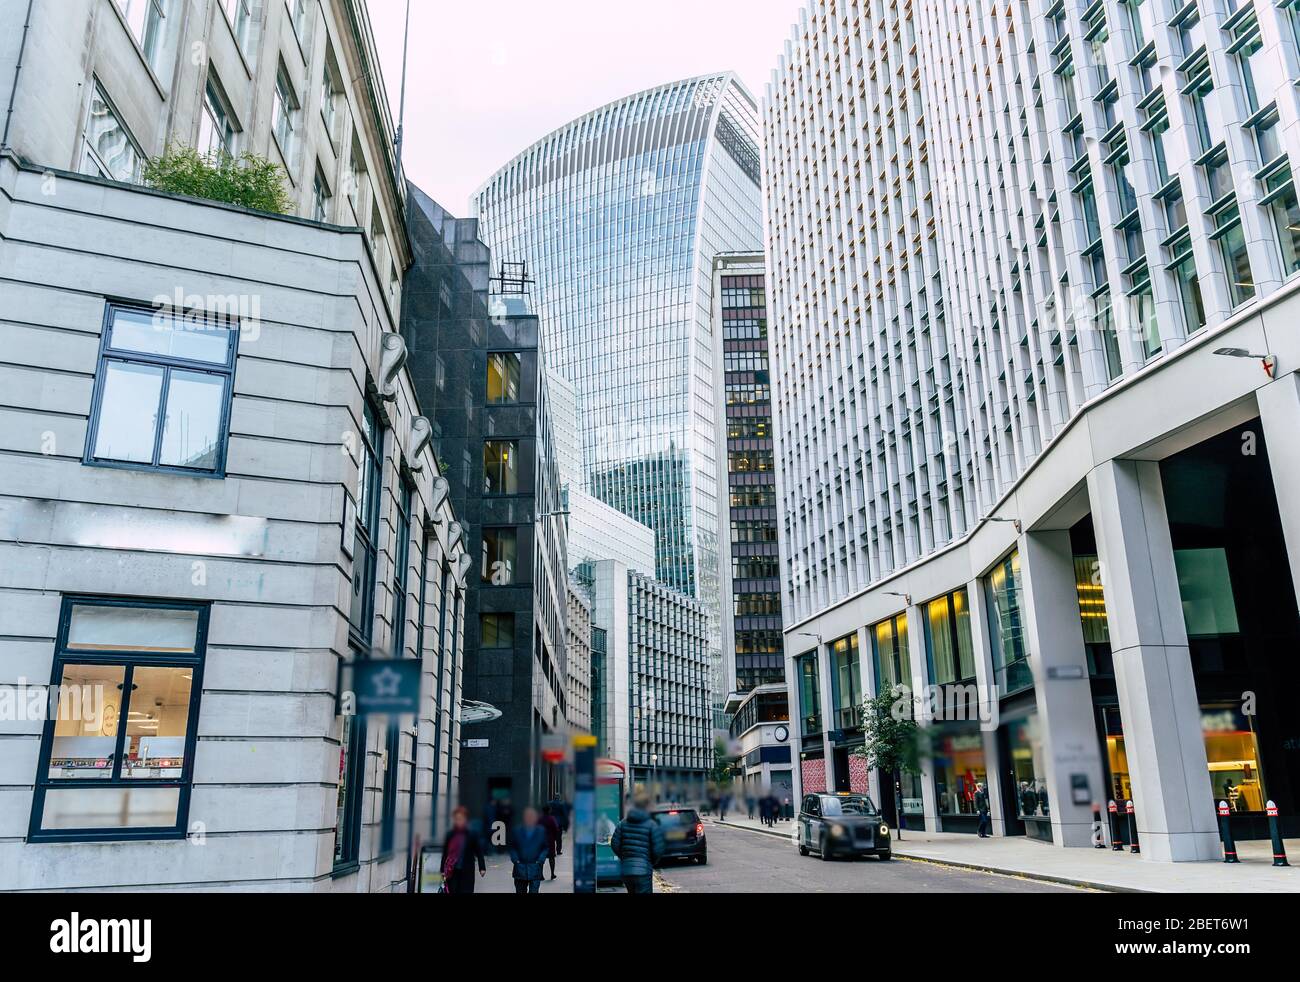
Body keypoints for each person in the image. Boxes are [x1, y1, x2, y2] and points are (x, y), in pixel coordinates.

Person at [610, 793, 665, 894]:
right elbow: (658, 849)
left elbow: (614, 844)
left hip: (626, 870)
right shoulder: (651, 825)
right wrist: (650, 862)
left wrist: (625, 857)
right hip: (643, 870)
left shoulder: (623, 823)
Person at [441, 805, 487, 893]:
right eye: (457, 819)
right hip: (452, 870)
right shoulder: (450, 835)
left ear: (465, 820)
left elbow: (479, 852)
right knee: (453, 890)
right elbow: (445, 852)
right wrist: (442, 870)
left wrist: (482, 867)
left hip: (467, 869)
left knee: (466, 890)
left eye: (461, 819)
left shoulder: (472, 834)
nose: (459, 821)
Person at [509, 807, 550, 894]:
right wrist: (515, 860)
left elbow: (545, 847)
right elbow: (512, 847)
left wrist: (540, 860)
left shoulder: (541, 831)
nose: (530, 819)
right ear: (524, 818)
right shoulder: (517, 831)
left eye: (532, 816)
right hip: (520, 869)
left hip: (535, 868)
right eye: (528, 816)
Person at [541, 804, 564, 880]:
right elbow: (556, 829)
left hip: (542, 841)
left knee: (541, 858)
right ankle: (552, 874)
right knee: (551, 858)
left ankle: (540, 874)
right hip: (550, 841)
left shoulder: (540, 819)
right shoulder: (551, 819)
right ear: (549, 811)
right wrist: (554, 838)